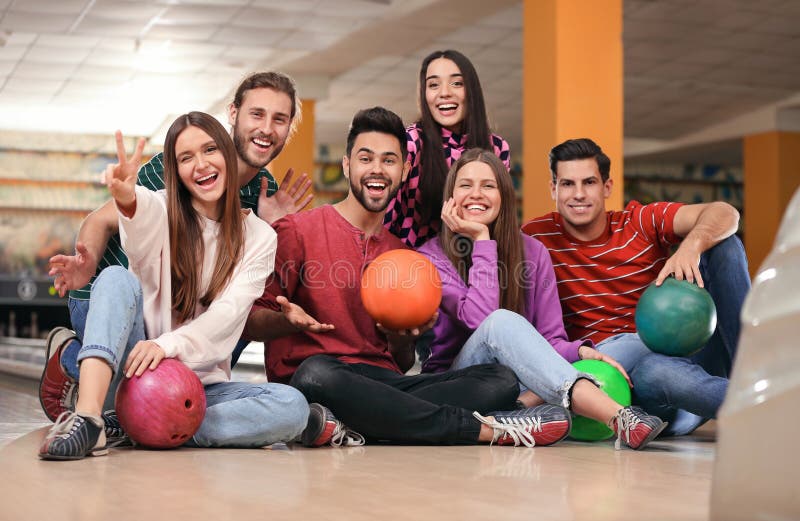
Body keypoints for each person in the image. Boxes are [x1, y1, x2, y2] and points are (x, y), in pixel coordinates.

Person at [245, 107, 567, 448]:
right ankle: (481, 430)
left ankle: (350, 423)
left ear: (404, 170)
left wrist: (401, 339)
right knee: (317, 374)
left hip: (384, 385)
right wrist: (286, 321)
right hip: (320, 378)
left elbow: (400, 362)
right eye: (366, 158)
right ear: (347, 165)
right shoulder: (297, 230)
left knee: (499, 380)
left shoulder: (403, 254)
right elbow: (252, 322)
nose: (377, 169)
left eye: (389, 160)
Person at [42, 72, 313, 424]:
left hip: (183, 319)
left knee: (236, 323)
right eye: (257, 114)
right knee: (118, 285)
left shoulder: (265, 194)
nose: (266, 128)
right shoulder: (173, 170)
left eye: (279, 119)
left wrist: (274, 225)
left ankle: (161, 417)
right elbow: (108, 217)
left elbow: (236, 302)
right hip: (110, 300)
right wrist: (88, 260)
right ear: (233, 113)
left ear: (289, 127)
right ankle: (76, 362)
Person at [418, 148, 666, 450]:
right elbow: (480, 319)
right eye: (465, 185)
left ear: (503, 195)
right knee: (500, 322)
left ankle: (519, 411)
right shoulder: (430, 258)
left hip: (518, 380)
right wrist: (482, 240)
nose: (476, 194)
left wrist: (581, 351)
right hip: (459, 383)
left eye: (488, 185)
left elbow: (550, 340)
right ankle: (617, 417)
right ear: (450, 197)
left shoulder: (533, 253)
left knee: (630, 345)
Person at [522, 138, 750, 436]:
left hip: (689, 351)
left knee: (725, 245)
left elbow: (726, 213)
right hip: (644, 385)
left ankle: (752, 376)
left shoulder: (639, 222)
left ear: (607, 187)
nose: (578, 194)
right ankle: (763, 405)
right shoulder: (535, 238)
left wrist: (691, 245)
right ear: (554, 189)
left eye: (589, 182)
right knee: (655, 371)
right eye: (567, 184)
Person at [383, 49, 510, 248]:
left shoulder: (497, 147)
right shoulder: (411, 142)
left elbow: (501, 220)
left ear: (472, 91)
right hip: (411, 260)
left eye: (457, 83)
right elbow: (384, 219)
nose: (444, 93)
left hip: (477, 257)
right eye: (433, 85)